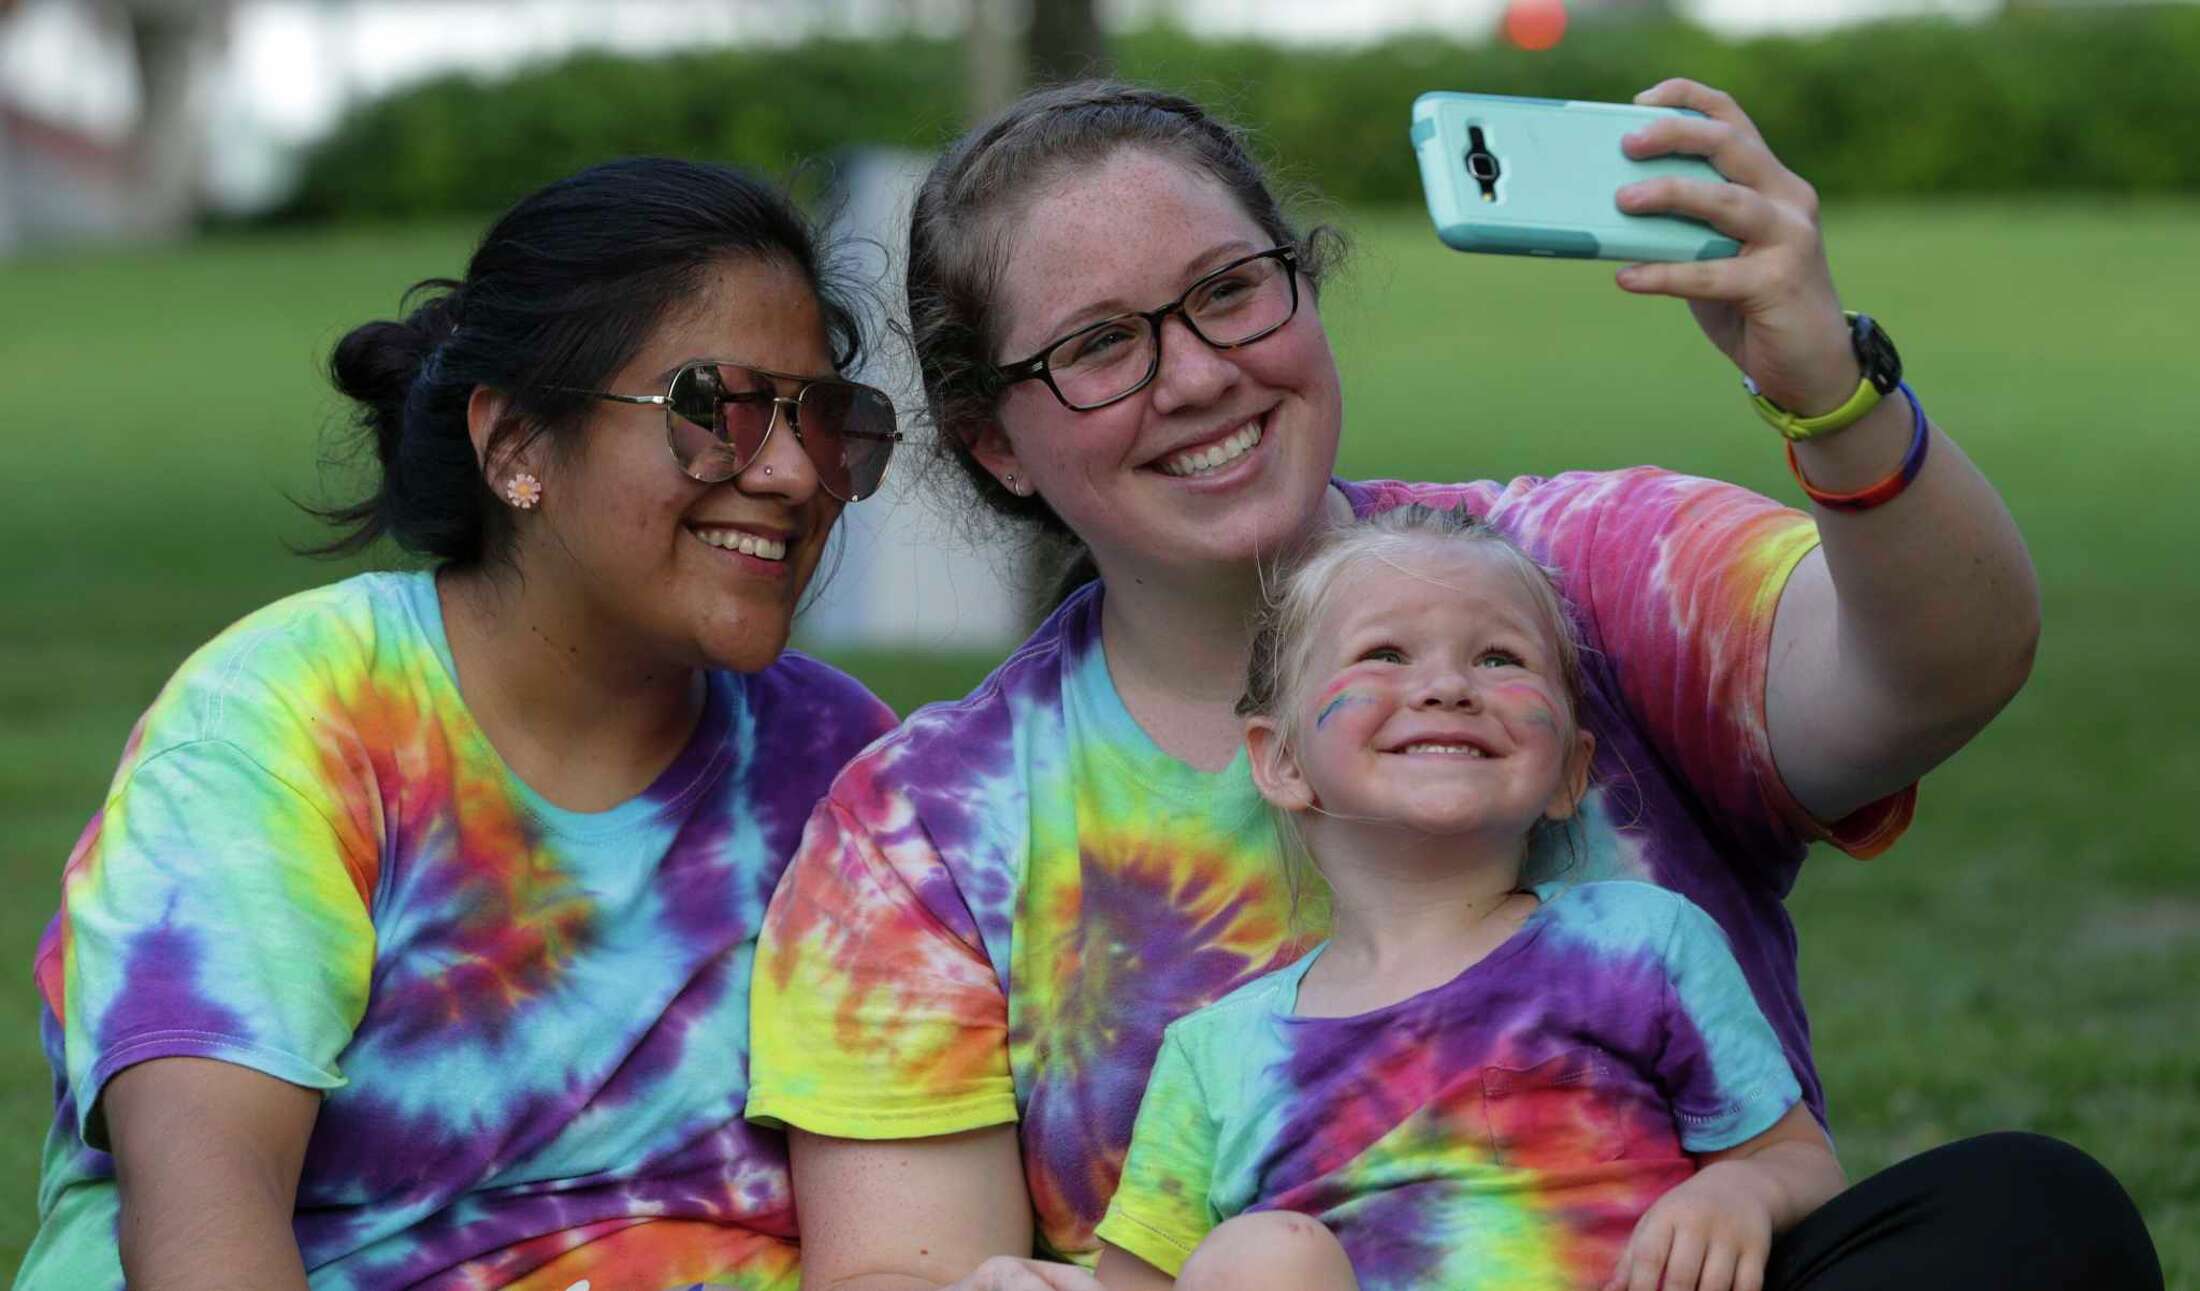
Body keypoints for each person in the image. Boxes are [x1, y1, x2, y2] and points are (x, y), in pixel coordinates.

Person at [747, 79, 2160, 1291]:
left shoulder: (1573, 573)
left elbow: (1950, 667)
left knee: (2027, 1210)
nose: (1198, 375)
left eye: (1230, 290)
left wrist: (1828, 387)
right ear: (993, 439)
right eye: (1101, 345)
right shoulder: (929, 827)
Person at [20, 157, 903, 1291]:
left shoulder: (838, 763)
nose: (789, 474)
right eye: (713, 409)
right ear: (517, 444)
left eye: (820, 420)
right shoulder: (292, 724)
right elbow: (204, 1234)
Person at [1093, 505, 1845, 1291]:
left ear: (1570, 772)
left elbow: (1800, 1162)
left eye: (1498, 658)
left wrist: (1739, 1190)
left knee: (1949, 1195)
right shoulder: (1217, 1054)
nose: (1449, 686)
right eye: (1385, 653)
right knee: (1264, 1256)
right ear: (1282, 759)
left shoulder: (1639, 943)